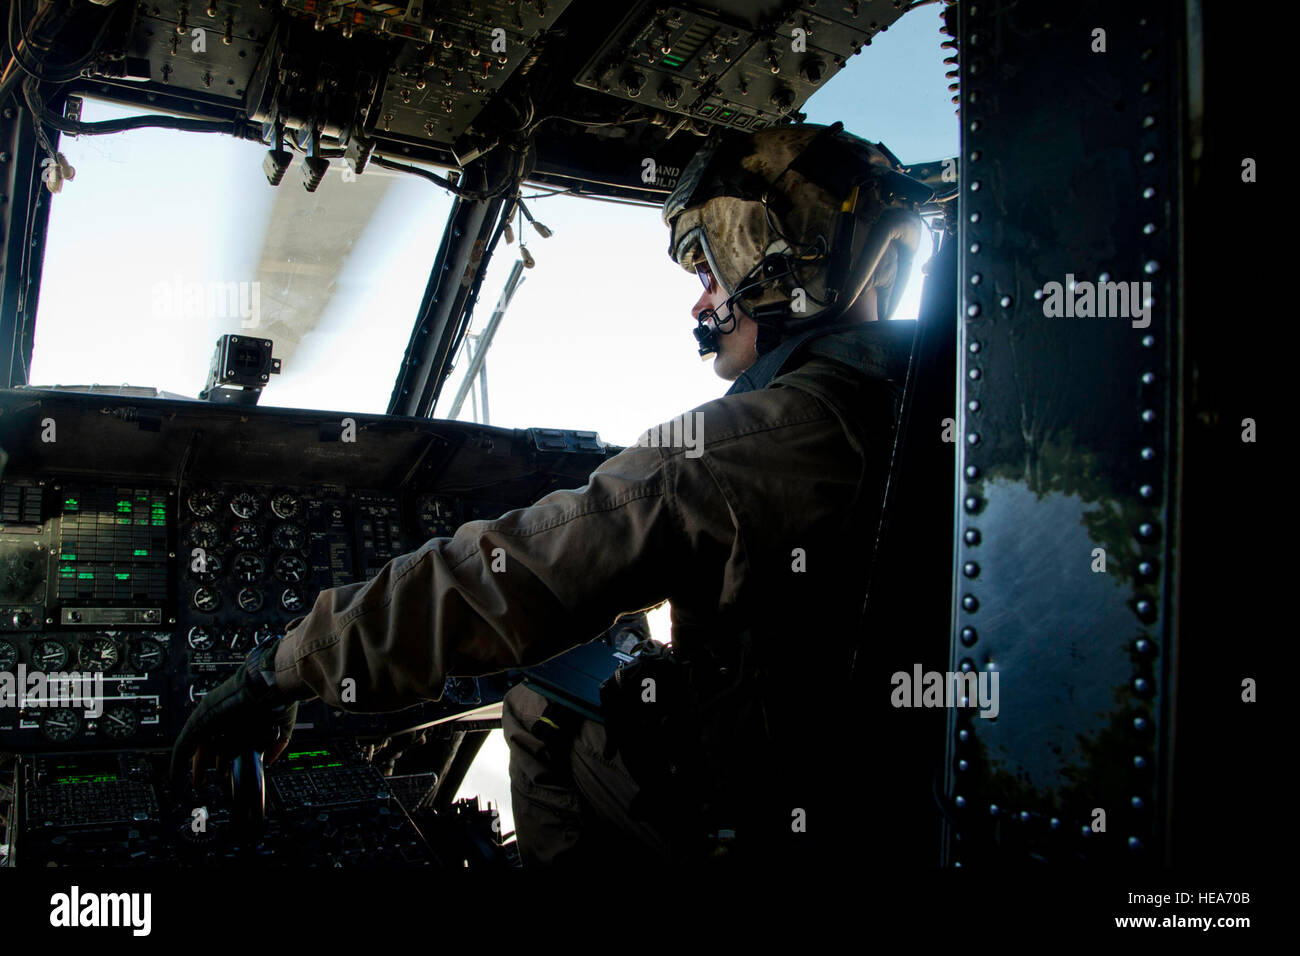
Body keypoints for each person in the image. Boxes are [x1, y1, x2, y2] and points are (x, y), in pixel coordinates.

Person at [172, 120, 931, 866]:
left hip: (781, 808)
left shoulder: (757, 437)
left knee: (536, 712)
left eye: (709, 278)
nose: (700, 308)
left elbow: (512, 574)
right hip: (888, 796)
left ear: (784, 262)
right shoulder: (923, 402)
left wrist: (283, 669)